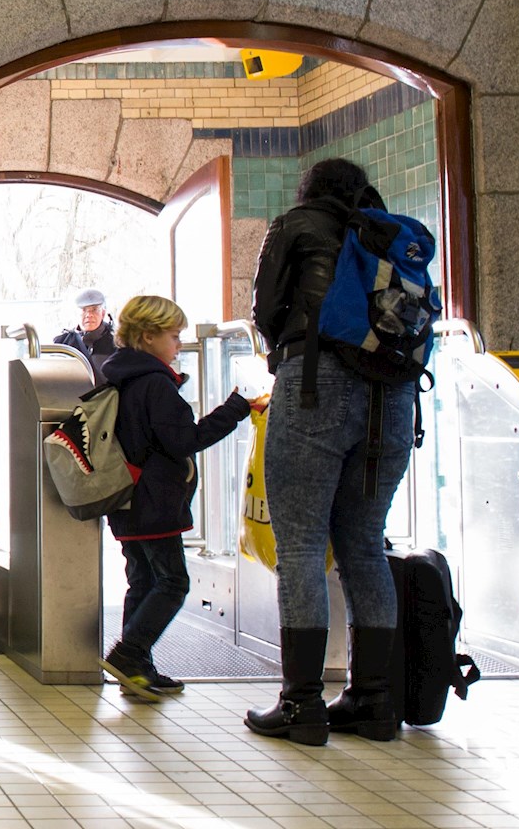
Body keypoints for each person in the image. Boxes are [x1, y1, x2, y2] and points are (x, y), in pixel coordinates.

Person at [245, 157, 414, 746]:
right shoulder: (388, 235)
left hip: (314, 387)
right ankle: (373, 701)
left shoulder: (296, 224)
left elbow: (265, 310)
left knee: (301, 547)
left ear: (309, 190)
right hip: (392, 402)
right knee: (365, 545)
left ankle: (302, 705)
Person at [99, 295, 259, 701]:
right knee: (173, 581)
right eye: (174, 336)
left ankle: (138, 669)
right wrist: (237, 407)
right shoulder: (154, 384)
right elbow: (185, 439)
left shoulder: (119, 377)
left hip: (125, 498)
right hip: (155, 501)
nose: (178, 344)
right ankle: (129, 654)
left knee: (143, 579)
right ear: (148, 336)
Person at [55, 288, 118, 383]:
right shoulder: (62, 343)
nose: (89, 315)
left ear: (103, 313)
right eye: (84, 310)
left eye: (94, 310)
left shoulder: (117, 343)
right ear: (76, 314)